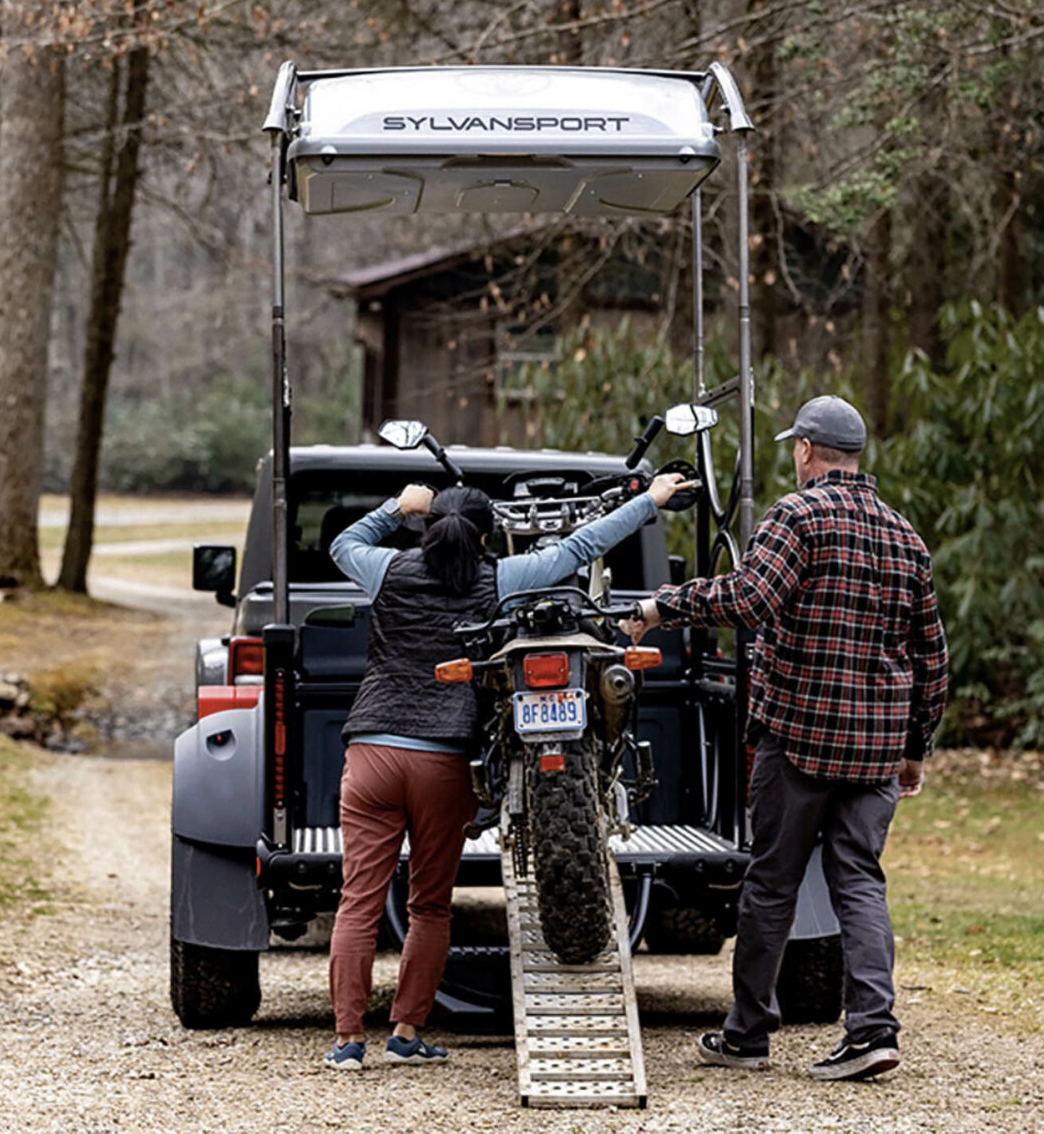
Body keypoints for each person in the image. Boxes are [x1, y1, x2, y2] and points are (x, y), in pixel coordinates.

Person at [621, 395, 948, 1082]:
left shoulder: (795, 517)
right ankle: (873, 1032)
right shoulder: (904, 534)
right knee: (860, 880)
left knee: (770, 883)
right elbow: (932, 657)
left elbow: (748, 601)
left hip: (798, 738)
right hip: (877, 747)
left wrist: (660, 607)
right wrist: (915, 744)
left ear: (805, 450)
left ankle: (746, 1035)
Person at [322, 469, 694, 1071]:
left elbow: (342, 545)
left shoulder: (386, 570)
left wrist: (396, 507)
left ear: (430, 527)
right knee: (429, 906)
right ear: (485, 537)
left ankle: (346, 1043)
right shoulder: (500, 578)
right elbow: (579, 549)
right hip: (441, 761)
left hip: (371, 757)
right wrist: (648, 503)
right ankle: (406, 1033)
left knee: (358, 901)